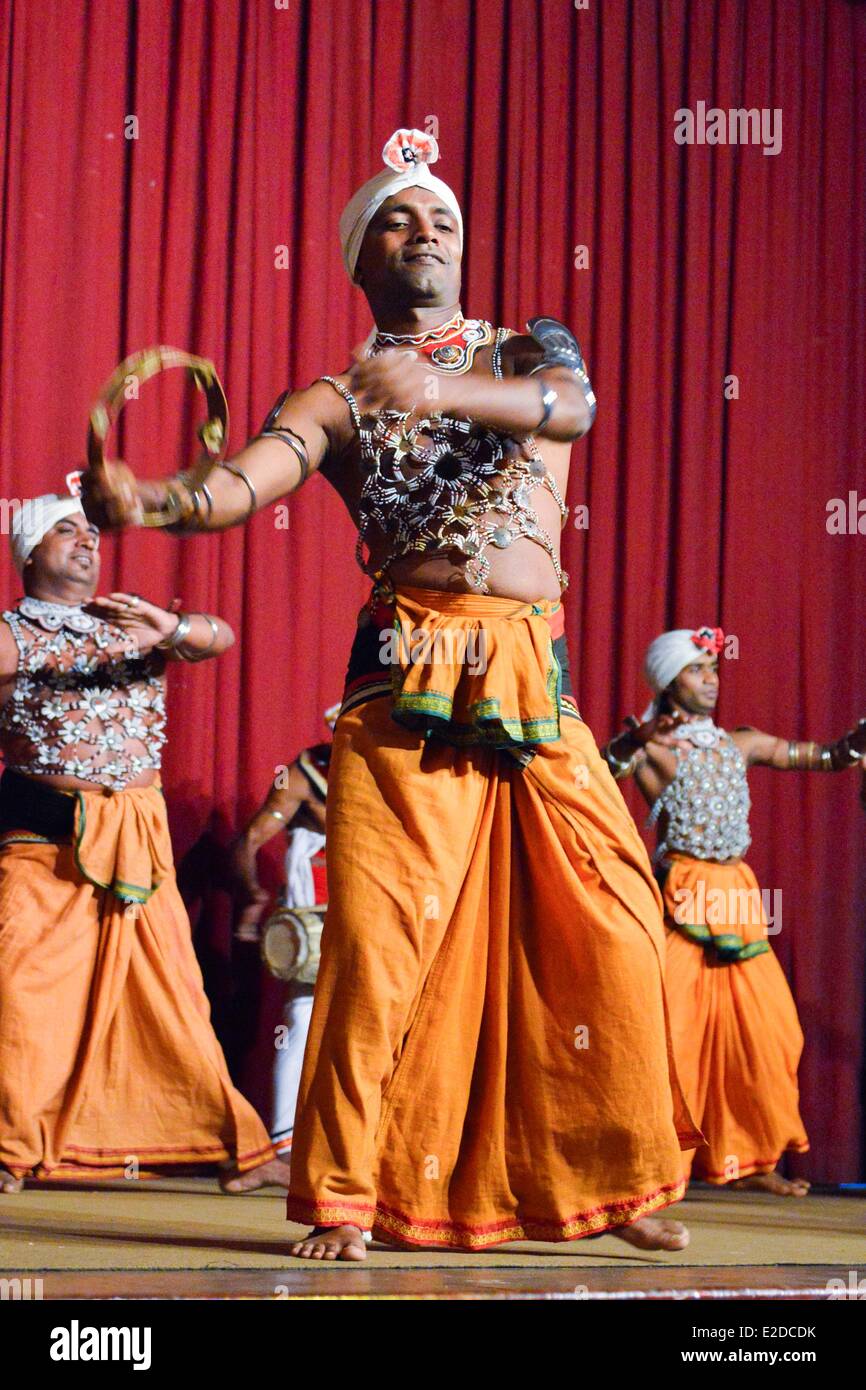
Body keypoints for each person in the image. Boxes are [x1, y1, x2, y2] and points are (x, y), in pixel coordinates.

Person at [82, 127, 701, 1259]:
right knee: (379, 946)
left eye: (444, 221)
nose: (428, 233)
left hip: (530, 676)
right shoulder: (334, 396)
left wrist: (439, 382)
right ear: (361, 258)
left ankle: (611, 1177)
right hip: (400, 684)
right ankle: (345, 1196)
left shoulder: (525, 350)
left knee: (610, 928)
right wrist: (154, 501)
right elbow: (241, 480)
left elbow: (574, 408)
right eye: (401, 220)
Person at [0, 491, 290, 1193]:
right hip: (49, 838)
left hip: (140, 841)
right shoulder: (11, 633)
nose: (86, 540)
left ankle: (238, 1145)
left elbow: (217, 637)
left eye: (91, 530)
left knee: (175, 996)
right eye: (65, 530)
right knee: (21, 992)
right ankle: (10, 1146)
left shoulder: (134, 621)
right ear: (30, 553)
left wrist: (171, 623)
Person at [602, 625, 866, 1197]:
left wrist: (854, 744)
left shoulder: (739, 742)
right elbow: (597, 775)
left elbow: (820, 757)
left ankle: (750, 1160)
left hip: (737, 901)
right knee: (671, 1035)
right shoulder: (648, 746)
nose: (711, 680)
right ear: (669, 680)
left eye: (714, 669)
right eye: (698, 670)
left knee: (769, 1034)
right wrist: (635, 739)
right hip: (682, 901)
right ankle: (653, 1164)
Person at [230, 710, 337, 1159]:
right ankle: (285, 1137)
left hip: (380, 900)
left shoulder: (401, 767)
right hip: (315, 906)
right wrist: (253, 894)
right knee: (302, 1016)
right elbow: (253, 838)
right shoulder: (304, 774)